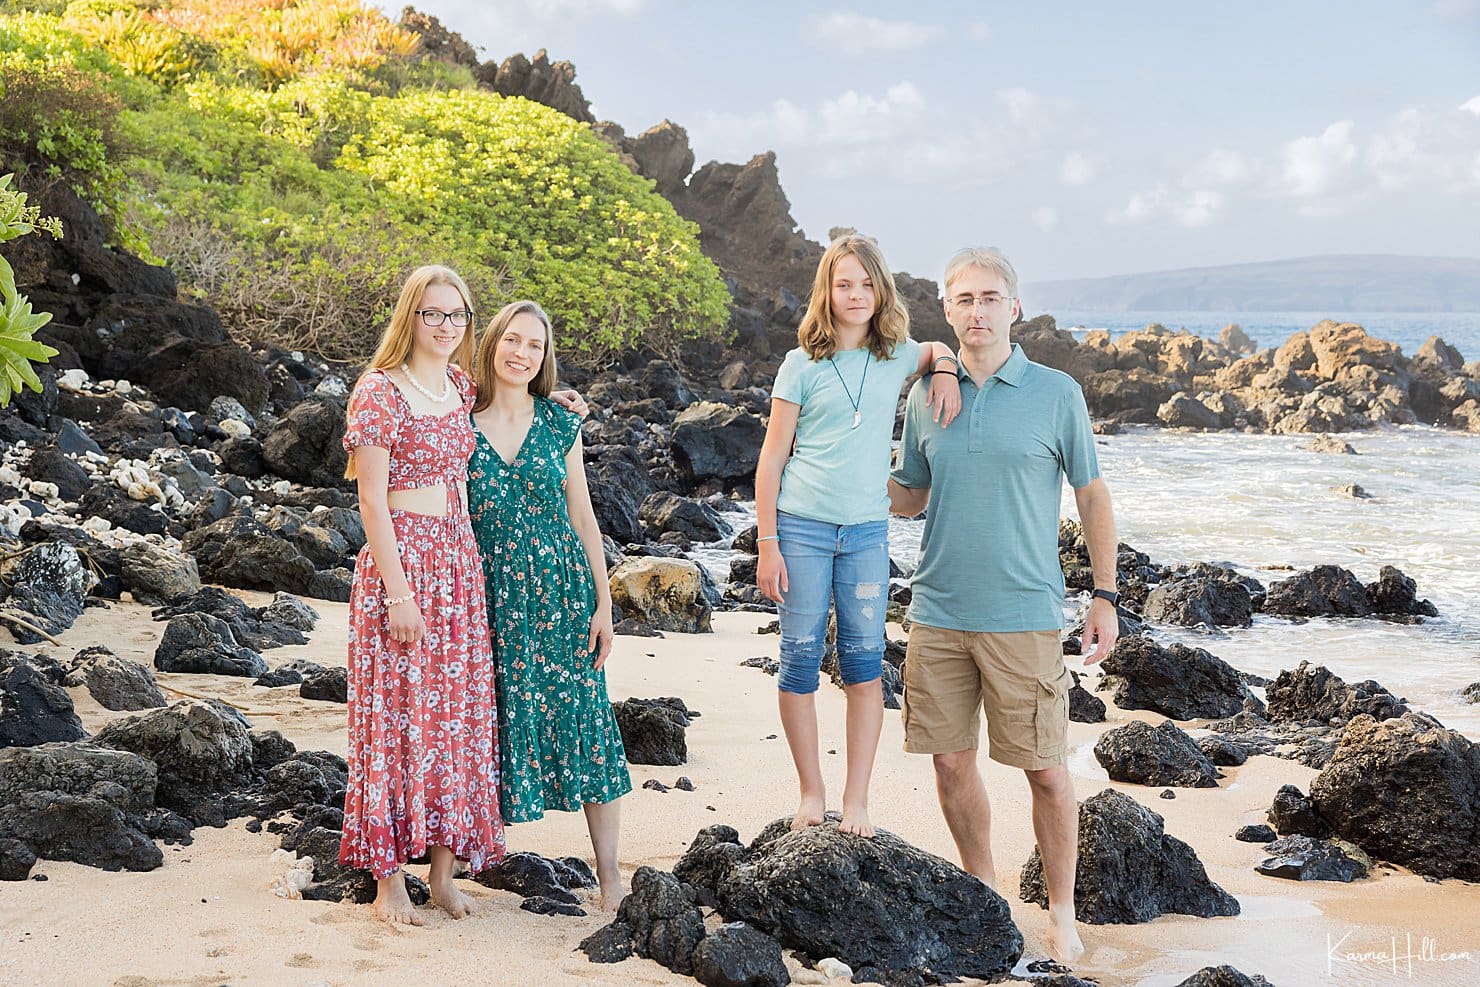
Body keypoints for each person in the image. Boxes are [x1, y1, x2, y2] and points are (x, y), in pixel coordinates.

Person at [888, 246, 1121, 964]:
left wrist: (1105, 595)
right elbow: (909, 493)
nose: (978, 310)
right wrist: (844, 457)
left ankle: (1061, 911)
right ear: (947, 308)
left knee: (1048, 771)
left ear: (1014, 307)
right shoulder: (928, 394)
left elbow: (1091, 494)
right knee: (952, 766)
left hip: (1025, 612)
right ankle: (984, 894)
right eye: (965, 299)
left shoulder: (1056, 393)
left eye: (991, 297)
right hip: (939, 611)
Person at [755, 233, 963, 838]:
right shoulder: (800, 366)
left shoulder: (895, 355)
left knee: (864, 667)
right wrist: (767, 543)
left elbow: (934, 349)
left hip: (868, 534)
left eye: (866, 284)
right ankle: (811, 792)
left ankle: (857, 800)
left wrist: (946, 368)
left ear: (881, 291)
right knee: (797, 664)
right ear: (827, 290)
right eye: (844, 283)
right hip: (802, 530)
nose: (855, 294)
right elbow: (771, 461)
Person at [340, 264, 505, 925]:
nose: (445, 326)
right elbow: (371, 501)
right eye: (432, 313)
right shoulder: (380, 391)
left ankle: (442, 872)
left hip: (458, 565)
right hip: (401, 565)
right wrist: (399, 591)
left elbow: (518, 399)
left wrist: (565, 403)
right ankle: (388, 880)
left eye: (457, 314)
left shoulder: (462, 387)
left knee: (454, 720)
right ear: (410, 316)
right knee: (393, 719)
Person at [466, 300, 631, 910]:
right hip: (488, 596)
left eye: (534, 346)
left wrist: (603, 604)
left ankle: (610, 874)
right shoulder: (459, 420)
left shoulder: (562, 424)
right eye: (511, 340)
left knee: (588, 721)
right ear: (492, 344)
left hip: (561, 594)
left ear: (545, 357)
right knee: (487, 723)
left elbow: (584, 518)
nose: (520, 353)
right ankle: (462, 857)